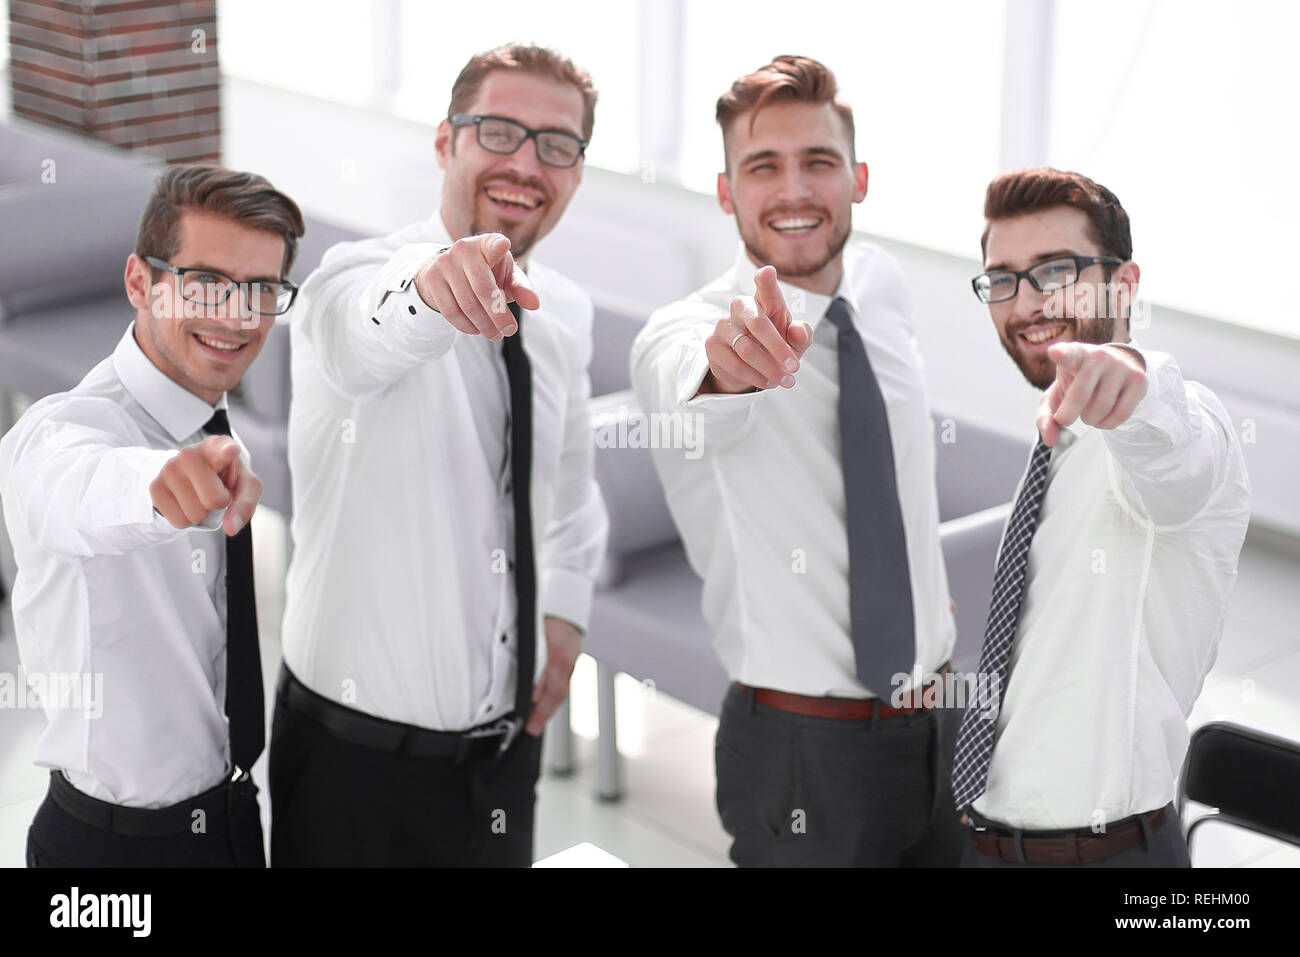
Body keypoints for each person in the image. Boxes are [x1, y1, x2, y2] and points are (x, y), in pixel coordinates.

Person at [272, 43, 608, 867]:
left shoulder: (563, 311)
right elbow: (365, 332)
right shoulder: (348, 281)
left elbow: (568, 486)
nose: (527, 163)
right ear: (444, 143)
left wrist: (562, 612)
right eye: (498, 131)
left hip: (502, 765)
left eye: (556, 145)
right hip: (352, 769)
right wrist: (431, 289)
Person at [630, 55, 961, 867]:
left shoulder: (885, 287)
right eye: (762, 166)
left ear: (859, 179)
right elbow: (691, 393)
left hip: (945, 725)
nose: (794, 189)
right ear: (726, 190)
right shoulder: (683, 332)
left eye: (819, 161)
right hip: (805, 754)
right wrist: (731, 368)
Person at [0, 163, 304, 866]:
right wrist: (159, 486)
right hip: (113, 852)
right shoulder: (61, 433)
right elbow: (79, 484)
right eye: (206, 284)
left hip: (231, 812)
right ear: (141, 281)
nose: (237, 317)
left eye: (261, 290)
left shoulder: (213, 422)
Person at [952, 167, 1251, 867]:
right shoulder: (1059, 440)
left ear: (1123, 285)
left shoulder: (1177, 423)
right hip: (988, 839)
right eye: (1003, 277)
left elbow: (1171, 451)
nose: (1025, 301)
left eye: (1054, 270)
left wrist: (1132, 387)